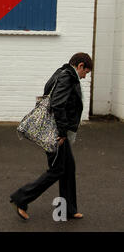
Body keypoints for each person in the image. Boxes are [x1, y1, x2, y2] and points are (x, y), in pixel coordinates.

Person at [10, 52, 93, 221]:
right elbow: (57, 104)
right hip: (56, 133)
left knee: (68, 168)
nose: (84, 77)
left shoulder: (61, 72)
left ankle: (68, 209)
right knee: (57, 170)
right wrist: (62, 132)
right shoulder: (68, 78)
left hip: (58, 131)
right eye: (86, 73)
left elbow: (49, 91)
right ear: (80, 66)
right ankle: (22, 198)